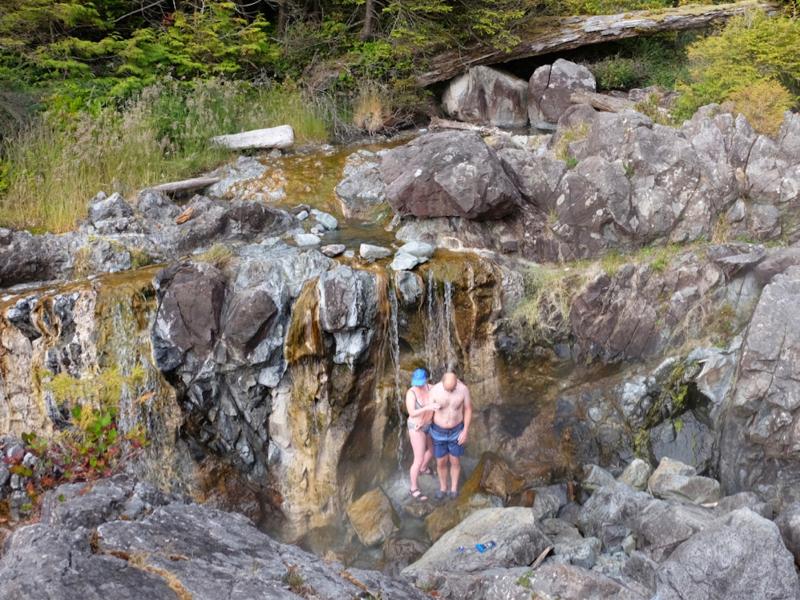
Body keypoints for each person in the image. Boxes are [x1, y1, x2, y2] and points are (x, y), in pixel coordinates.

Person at [428, 370, 473, 500]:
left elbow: (468, 409)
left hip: (456, 431)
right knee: (441, 461)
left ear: (456, 382)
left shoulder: (463, 389)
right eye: (448, 389)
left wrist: (465, 431)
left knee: (455, 460)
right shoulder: (435, 391)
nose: (450, 391)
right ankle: (443, 488)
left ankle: (453, 489)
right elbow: (429, 412)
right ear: (442, 383)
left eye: (453, 388)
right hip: (438, 431)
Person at [405, 368, 439, 502]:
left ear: (426, 380)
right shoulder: (411, 393)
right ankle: (413, 488)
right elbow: (412, 413)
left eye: (420, 382)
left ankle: (424, 468)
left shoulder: (433, 388)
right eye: (416, 382)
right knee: (417, 459)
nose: (418, 385)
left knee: (433, 449)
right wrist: (427, 408)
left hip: (428, 425)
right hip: (416, 427)